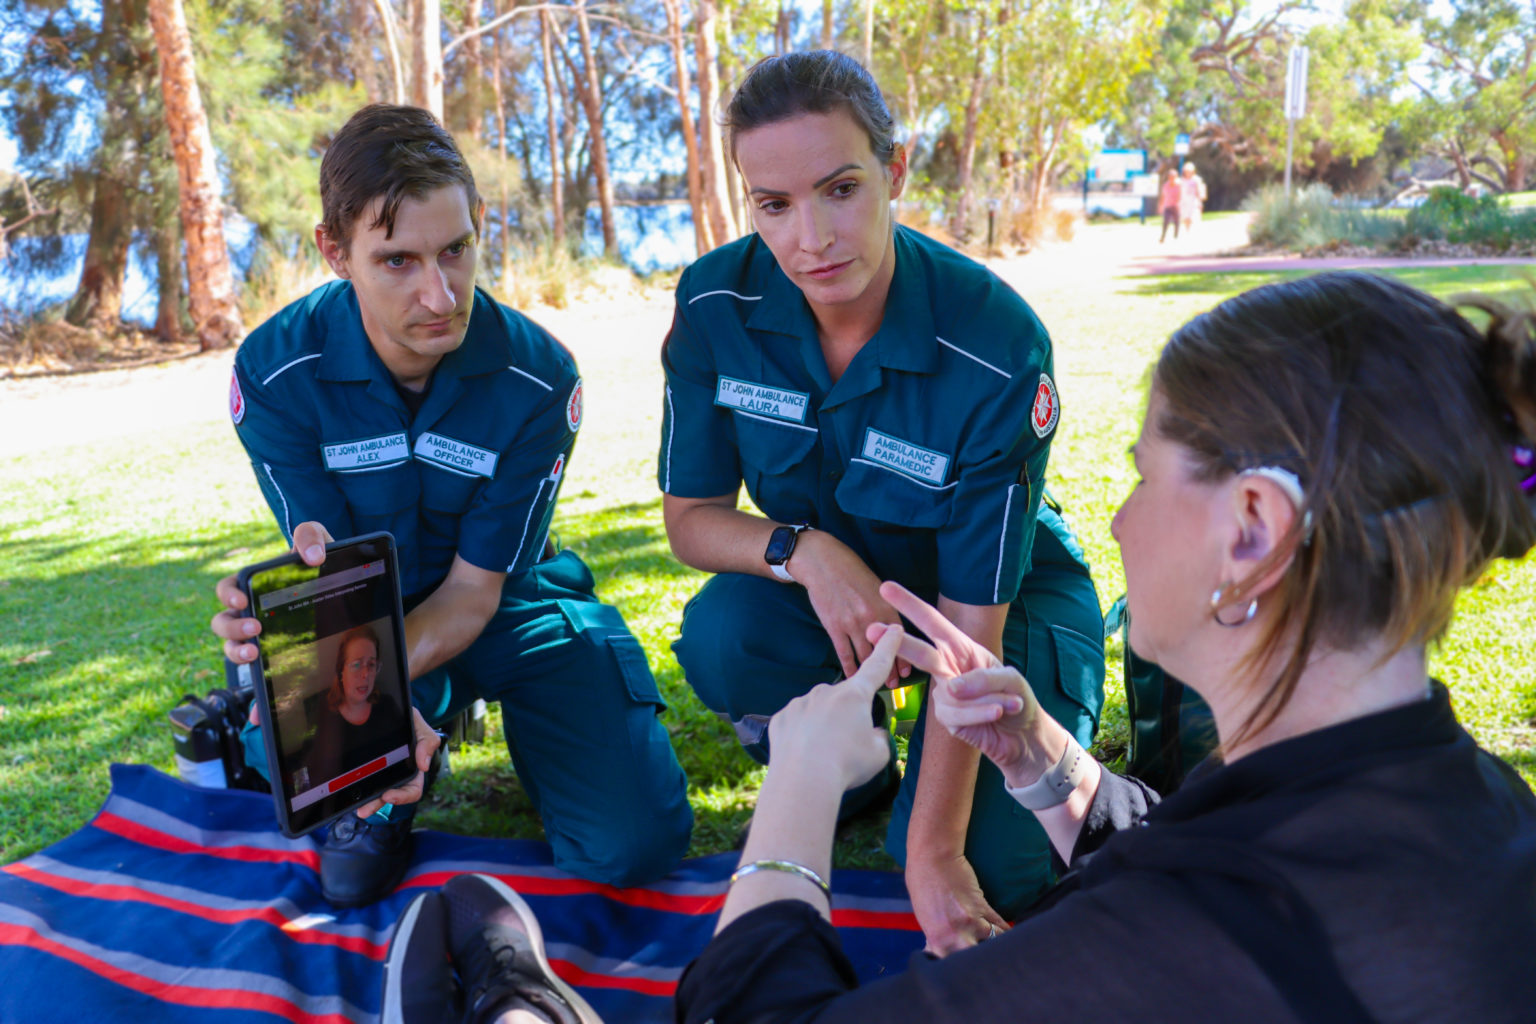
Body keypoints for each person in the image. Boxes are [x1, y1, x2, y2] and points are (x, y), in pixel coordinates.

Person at [660, 271, 1536, 1021]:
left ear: (1254, 528)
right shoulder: (1475, 797)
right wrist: (1048, 764)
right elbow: (1216, 843)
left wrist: (801, 781)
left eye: (1144, 477)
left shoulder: (1191, 938)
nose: (1116, 523)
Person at [658, 50, 1105, 952]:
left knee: (994, 868)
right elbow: (691, 520)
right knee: (723, 636)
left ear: (895, 172)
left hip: (993, 609)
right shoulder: (714, 303)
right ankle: (857, 774)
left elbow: (971, 633)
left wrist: (935, 850)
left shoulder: (996, 344)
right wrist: (806, 553)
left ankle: (915, 805)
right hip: (836, 603)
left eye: (840, 189)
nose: (810, 238)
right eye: (774, 205)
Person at [210, 104, 691, 908]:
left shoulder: (542, 379)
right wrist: (335, 677)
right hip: (363, 615)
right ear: (336, 252)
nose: (440, 295)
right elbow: (321, 566)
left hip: (510, 601)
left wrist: (378, 692)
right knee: (348, 872)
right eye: (397, 260)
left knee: (632, 845)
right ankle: (344, 751)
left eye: (457, 251)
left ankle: (521, 736)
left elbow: (475, 595)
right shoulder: (274, 371)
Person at [306, 626, 408, 787]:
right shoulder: (320, 715)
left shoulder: (388, 706)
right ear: (340, 670)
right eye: (356, 665)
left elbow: (405, 764)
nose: (366, 674)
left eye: (372, 664)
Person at [1178, 161, 1206, 232]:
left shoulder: (1196, 180)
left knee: (1193, 217)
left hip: (1193, 201)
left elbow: (1199, 191)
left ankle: (1191, 231)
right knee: (1185, 218)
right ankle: (1187, 230)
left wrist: (1200, 201)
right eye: (1186, 171)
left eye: (1189, 171)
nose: (1188, 173)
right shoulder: (1181, 180)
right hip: (1184, 202)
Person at [1158, 168, 1181, 242]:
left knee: (1176, 221)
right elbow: (1163, 196)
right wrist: (1161, 205)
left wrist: (1178, 204)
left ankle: (1176, 235)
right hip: (1168, 206)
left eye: (1173, 177)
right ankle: (1163, 236)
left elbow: (1180, 195)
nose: (1172, 178)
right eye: (1170, 177)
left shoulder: (1178, 185)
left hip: (1175, 206)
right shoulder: (1165, 185)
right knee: (1166, 221)